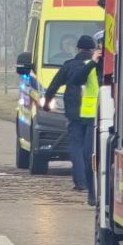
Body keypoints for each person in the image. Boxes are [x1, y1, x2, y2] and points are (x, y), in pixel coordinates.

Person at [43, 34, 102, 206]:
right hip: (93, 115)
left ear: (77, 49)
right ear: (93, 49)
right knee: (89, 151)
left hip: (74, 115)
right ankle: (91, 187)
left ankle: (80, 182)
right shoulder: (98, 66)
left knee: (76, 147)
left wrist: (47, 103)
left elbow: (54, 85)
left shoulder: (70, 66)